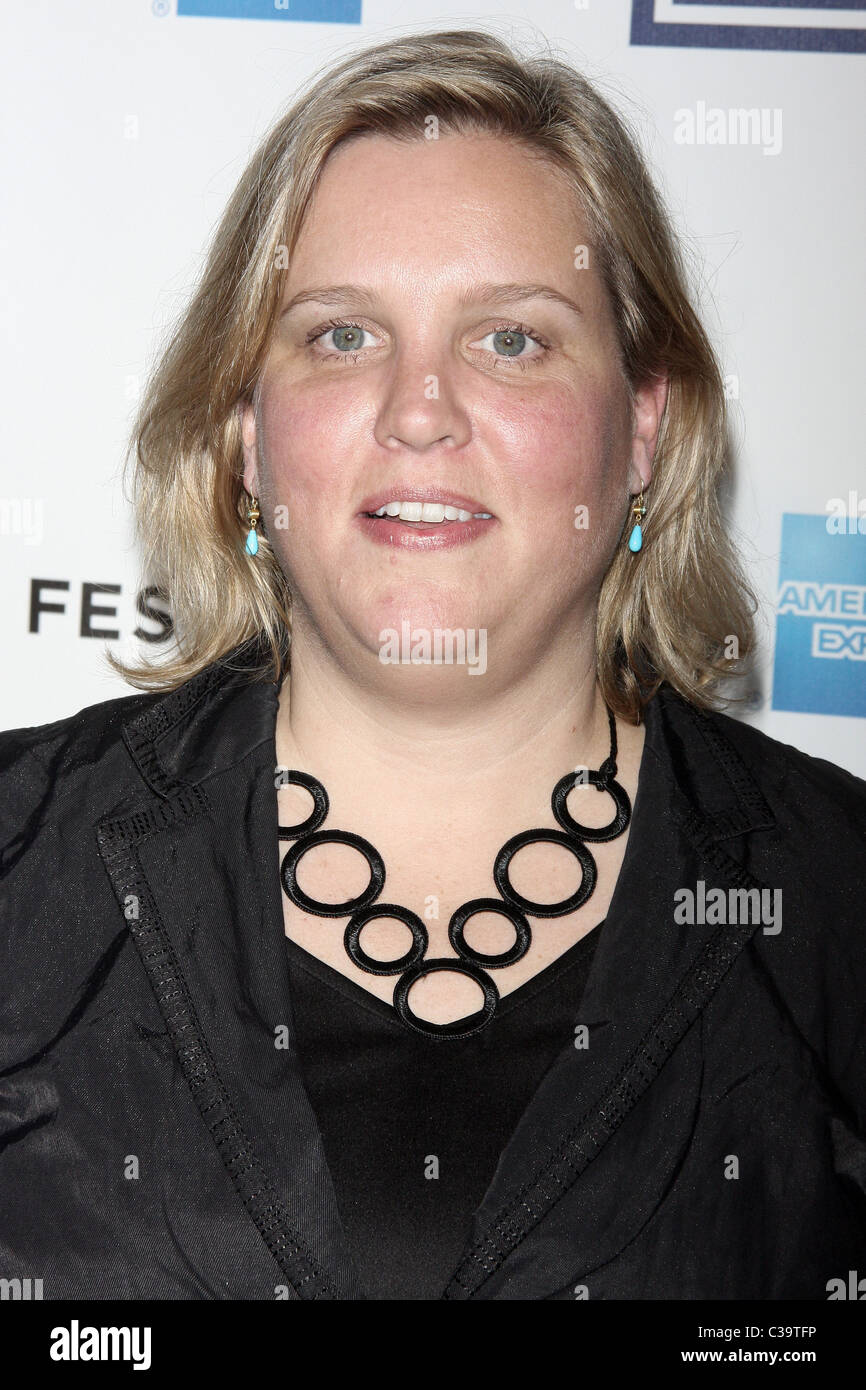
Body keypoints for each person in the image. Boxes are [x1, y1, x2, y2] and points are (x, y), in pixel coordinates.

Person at [1, 28, 864, 1303]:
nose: (418, 408)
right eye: (341, 336)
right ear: (245, 434)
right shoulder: (21, 859)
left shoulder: (833, 897)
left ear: (641, 427)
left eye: (510, 339)